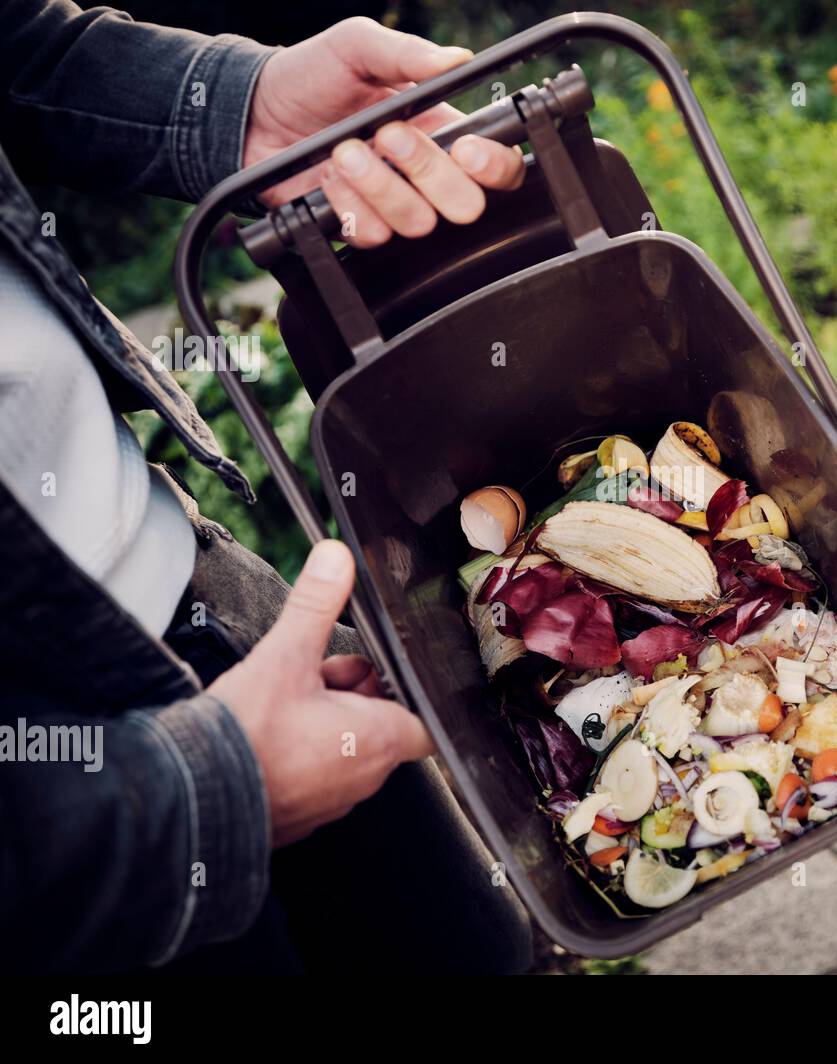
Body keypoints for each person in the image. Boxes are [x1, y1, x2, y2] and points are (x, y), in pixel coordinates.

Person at [0, 1, 532, 974]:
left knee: (471, 949)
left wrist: (238, 111)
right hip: (72, 847)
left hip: (187, 584)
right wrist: (195, 801)